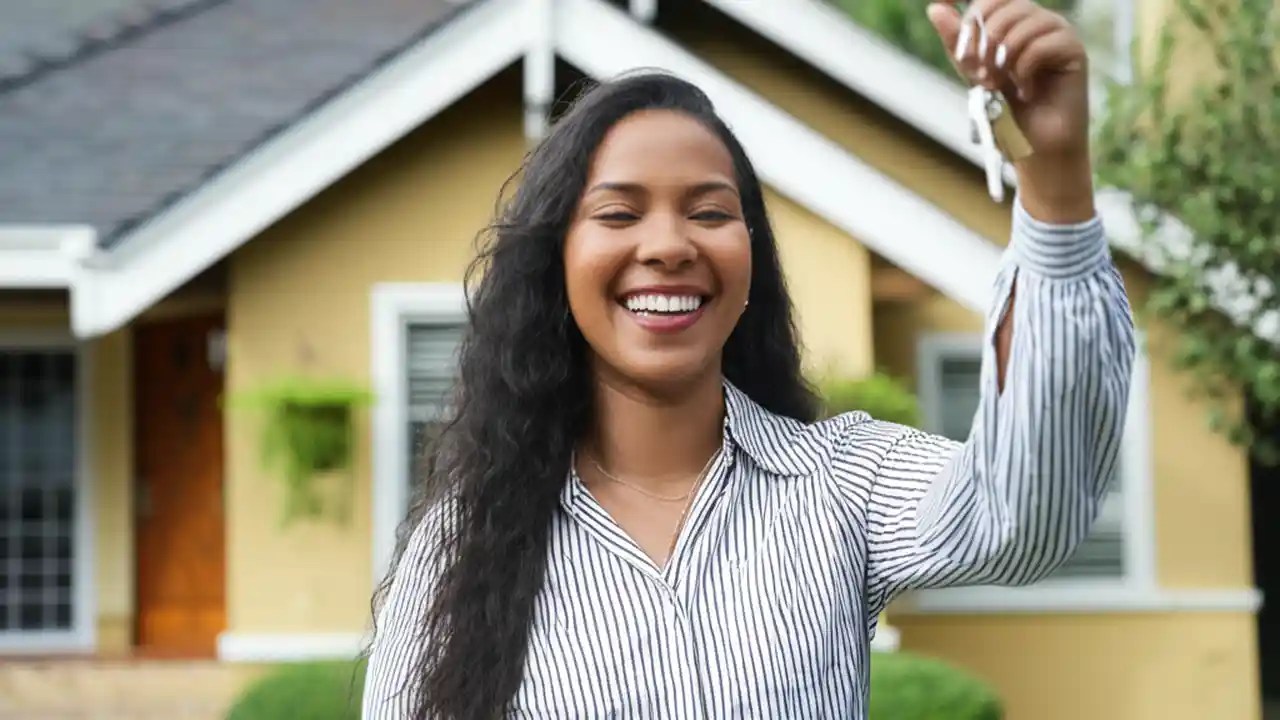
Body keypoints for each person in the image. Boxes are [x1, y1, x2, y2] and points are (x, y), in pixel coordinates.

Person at [362, 0, 1135, 716]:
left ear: (750, 260)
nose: (668, 246)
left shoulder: (840, 486)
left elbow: (1022, 515)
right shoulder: (462, 543)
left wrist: (1054, 176)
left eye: (709, 212)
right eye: (619, 213)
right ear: (555, 264)